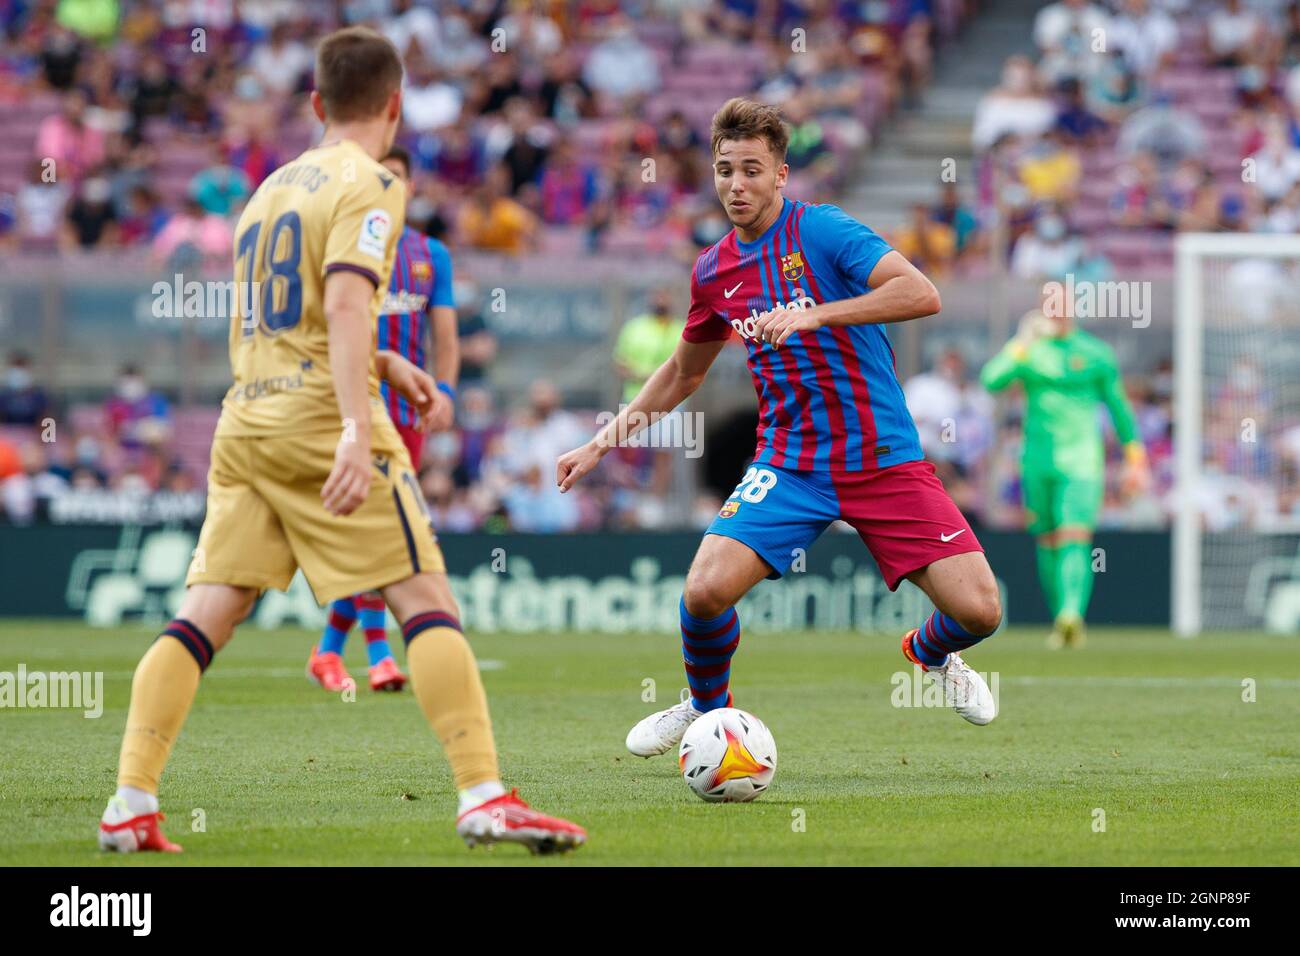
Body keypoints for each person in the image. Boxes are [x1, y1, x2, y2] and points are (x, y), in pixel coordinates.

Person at [97, 26, 584, 855]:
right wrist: (359, 427)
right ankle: (483, 796)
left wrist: (387, 360)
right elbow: (350, 301)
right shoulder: (372, 182)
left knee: (203, 615)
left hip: (246, 418)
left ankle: (129, 804)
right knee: (427, 601)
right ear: (394, 107)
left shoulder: (269, 190)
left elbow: (290, 317)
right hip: (325, 420)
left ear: (317, 104)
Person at [557, 98, 1003, 760]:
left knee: (980, 613)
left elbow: (921, 293)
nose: (737, 185)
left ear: (781, 175)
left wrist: (817, 315)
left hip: (882, 456)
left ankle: (930, 652)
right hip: (791, 463)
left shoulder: (824, 231)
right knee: (704, 590)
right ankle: (708, 713)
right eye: (725, 170)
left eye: (752, 171)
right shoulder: (712, 272)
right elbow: (682, 374)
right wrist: (601, 440)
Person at [307, 144, 459, 696]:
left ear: (411, 187)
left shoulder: (429, 254)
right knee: (382, 531)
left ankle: (330, 651)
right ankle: (376, 656)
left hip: (408, 415)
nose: (388, 187)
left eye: (396, 178)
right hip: (354, 409)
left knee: (383, 533)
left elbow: (444, 336)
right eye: (380, 178)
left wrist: (443, 390)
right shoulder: (345, 246)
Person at [980, 307, 1150, 648]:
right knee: (1047, 539)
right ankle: (1061, 618)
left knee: (1074, 534)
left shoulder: (1095, 353)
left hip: (1082, 460)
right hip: (1037, 460)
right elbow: (992, 380)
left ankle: (1071, 613)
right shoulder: (1031, 350)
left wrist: (1135, 457)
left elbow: (1118, 406)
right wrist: (1022, 339)